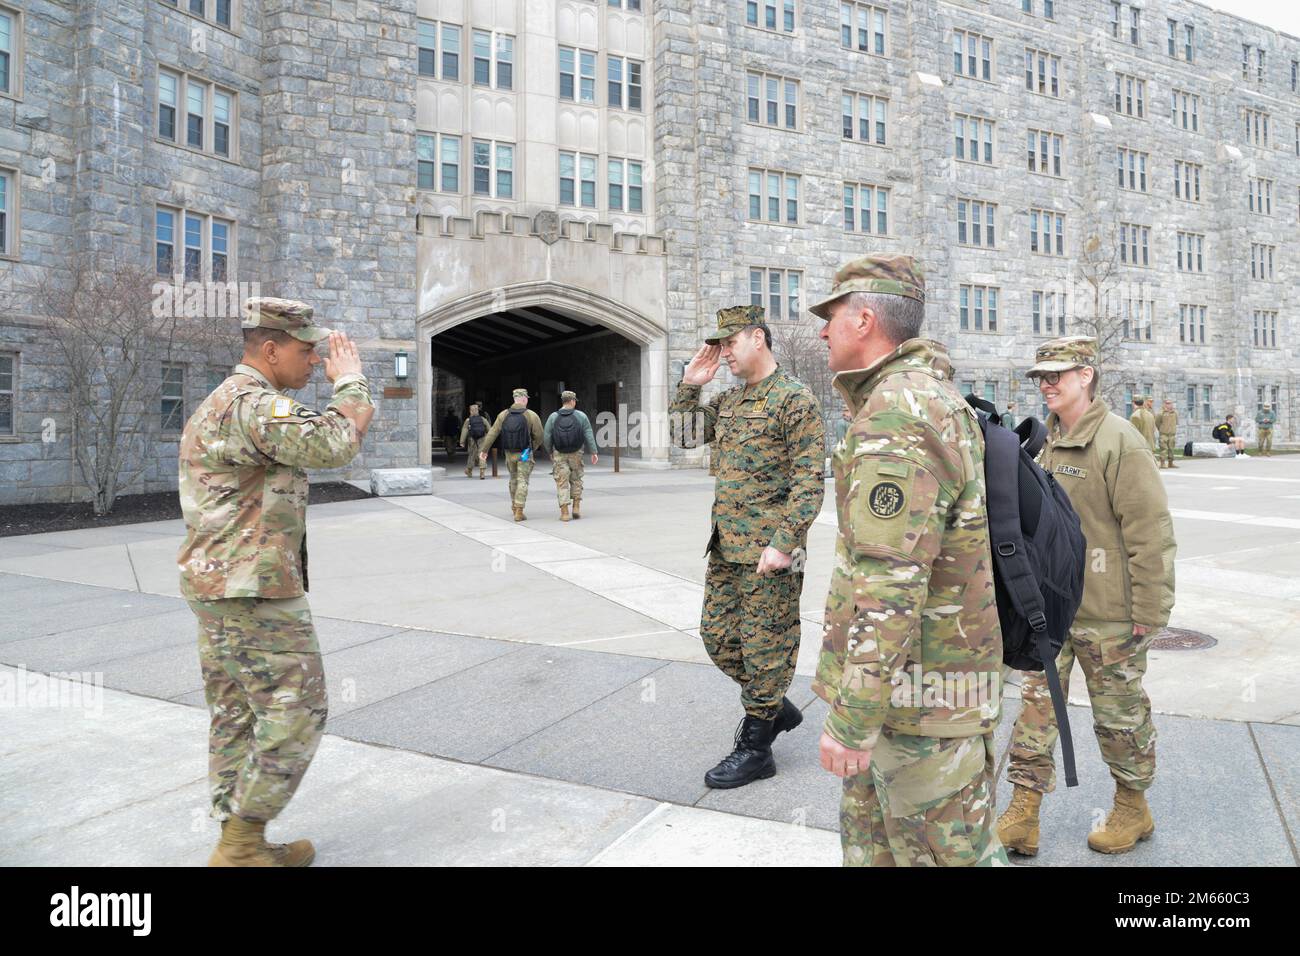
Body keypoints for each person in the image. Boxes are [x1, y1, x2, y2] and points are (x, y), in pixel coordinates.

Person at [809, 254, 1007, 867]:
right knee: (877, 852)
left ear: (865, 319)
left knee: (947, 856)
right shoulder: (921, 397)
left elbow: (890, 583)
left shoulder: (899, 414)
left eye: (832, 316)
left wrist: (853, 716)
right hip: (913, 693)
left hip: (921, 703)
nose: (822, 330)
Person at [178, 297, 374, 867]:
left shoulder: (230, 401)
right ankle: (240, 844)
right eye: (306, 350)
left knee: (238, 711)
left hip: (222, 584)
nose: (315, 361)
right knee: (296, 709)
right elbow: (335, 442)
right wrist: (352, 384)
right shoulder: (254, 405)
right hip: (251, 587)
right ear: (270, 349)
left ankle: (241, 842)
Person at [998, 336, 1175, 857]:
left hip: (1109, 614)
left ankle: (1132, 805)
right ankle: (1023, 813)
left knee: (1118, 716)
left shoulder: (1120, 441)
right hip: (1050, 610)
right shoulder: (1042, 443)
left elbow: (1150, 532)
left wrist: (1149, 610)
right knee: (1035, 712)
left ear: (1087, 376)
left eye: (1058, 374)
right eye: (1041, 377)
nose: (1047, 384)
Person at [670, 305, 825, 789]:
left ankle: (757, 748)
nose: (723, 354)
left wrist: (784, 544)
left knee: (765, 648)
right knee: (718, 638)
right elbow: (685, 437)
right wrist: (691, 385)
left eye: (729, 343)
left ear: (757, 338)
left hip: (770, 555)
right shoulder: (732, 402)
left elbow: (808, 480)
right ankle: (773, 704)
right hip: (726, 545)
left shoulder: (794, 400)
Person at [479, 388, 545, 521]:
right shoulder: (531, 415)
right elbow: (539, 436)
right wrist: (532, 447)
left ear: (514, 399)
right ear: (525, 399)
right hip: (525, 453)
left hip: (509, 452)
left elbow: (492, 432)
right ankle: (519, 510)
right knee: (523, 480)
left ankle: (514, 506)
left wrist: (484, 450)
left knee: (513, 478)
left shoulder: (503, 415)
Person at [543, 390, 598, 521]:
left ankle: (564, 513)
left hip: (559, 453)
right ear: (573, 401)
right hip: (576, 453)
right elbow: (588, 434)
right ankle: (576, 507)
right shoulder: (581, 416)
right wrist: (594, 451)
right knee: (576, 479)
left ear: (563, 401)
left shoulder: (553, 417)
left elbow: (547, 436)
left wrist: (550, 451)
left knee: (562, 481)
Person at [459, 403, 490, 479]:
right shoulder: (483, 419)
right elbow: (489, 429)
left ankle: (469, 471)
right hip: (482, 438)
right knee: (482, 454)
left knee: (472, 454)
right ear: (477, 410)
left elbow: (464, 430)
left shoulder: (468, 420)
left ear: (470, 411)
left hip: (472, 439)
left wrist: (462, 442)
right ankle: (482, 472)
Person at [1156, 398, 1179, 468]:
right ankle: (1162, 463)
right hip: (1164, 434)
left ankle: (1170, 462)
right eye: (1167, 403)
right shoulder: (1161, 413)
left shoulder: (1175, 413)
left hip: (1172, 434)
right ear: (1164, 404)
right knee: (1163, 449)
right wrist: (1161, 429)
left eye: (1170, 403)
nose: (1169, 405)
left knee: (1171, 449)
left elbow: (1176, 422)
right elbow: (1157, 422)